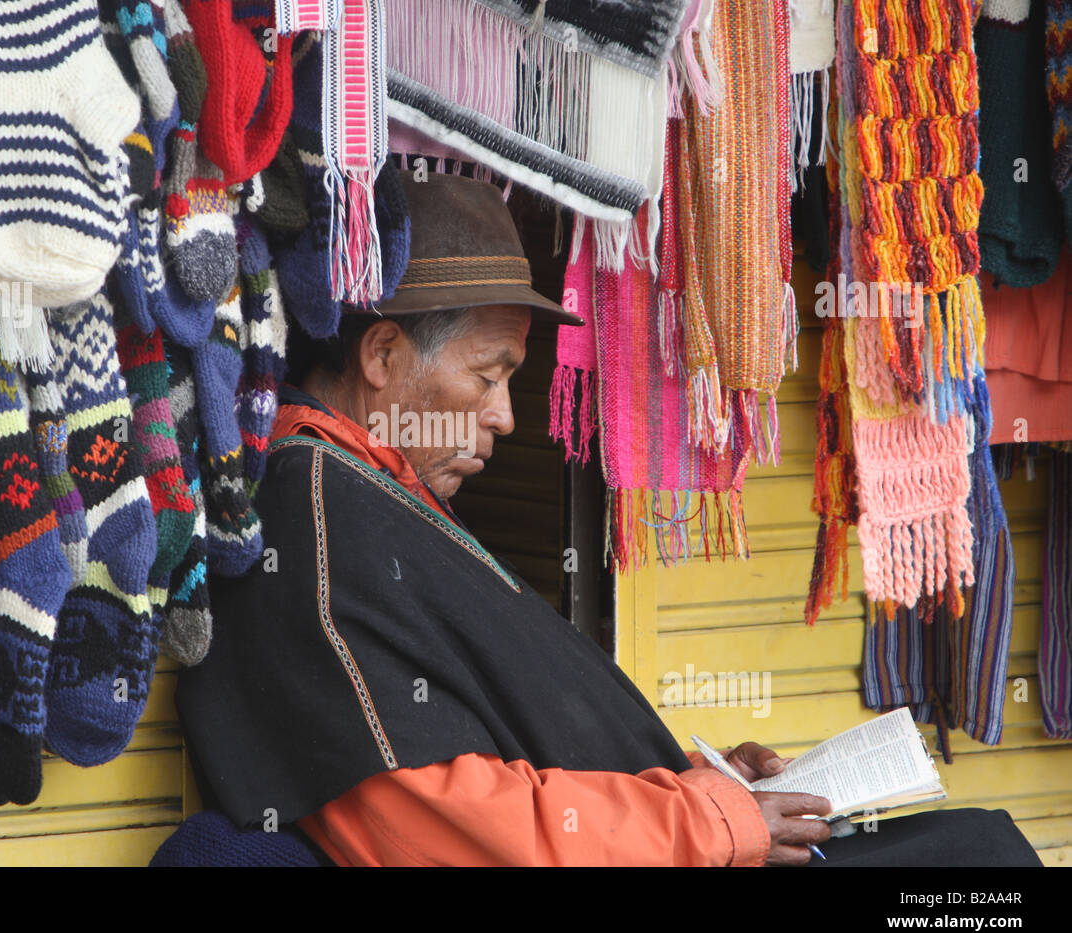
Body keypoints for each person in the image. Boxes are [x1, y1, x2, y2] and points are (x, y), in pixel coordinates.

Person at [174, 171, 1042, 867]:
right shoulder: (317, 516)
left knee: (971, 850)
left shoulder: (372, 490)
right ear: (383, 355)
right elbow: (431, 819)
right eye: (488, 374)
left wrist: (709, 786)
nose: (507, 417)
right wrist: (704, 824)